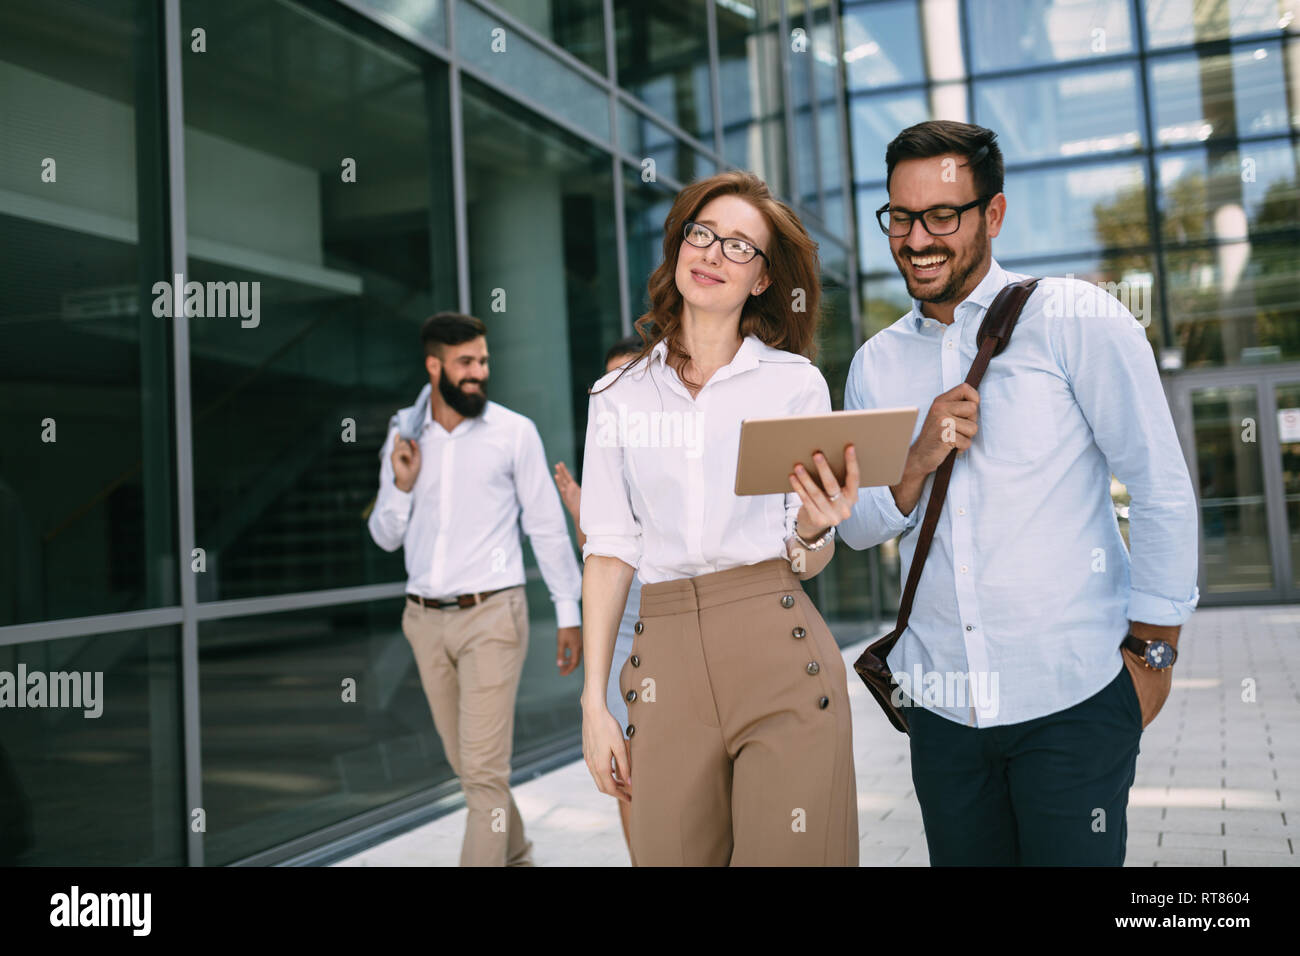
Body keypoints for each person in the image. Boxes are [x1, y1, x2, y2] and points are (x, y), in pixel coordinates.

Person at [838, 120, 1199, 865]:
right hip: (940, 710)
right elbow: (860, 526)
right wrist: (914, 462)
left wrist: (1152, 656)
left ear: (992, 215)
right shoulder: (876, 362)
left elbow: (1161, 486)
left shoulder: (1076, 319)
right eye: (900, 218)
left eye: (942, 215)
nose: (916, 238)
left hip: (1074, 700)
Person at [579, 170, 861, 866]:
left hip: (777, 641)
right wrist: (593, 703)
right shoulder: (618, 396)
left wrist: (814, 529)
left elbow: (805, 550)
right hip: (664, 657)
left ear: (764, 279)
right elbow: (609, 550)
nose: (712, 254)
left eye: (739, 246)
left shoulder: (792, 383)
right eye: (701, 235)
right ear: (679, 246)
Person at [367, 311, 583, 867]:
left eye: (483, 361)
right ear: (434, 366)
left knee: (484, 774)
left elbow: (545, 527)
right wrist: (400, 484)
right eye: (465, 363)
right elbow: (385, 537)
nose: (478, 373)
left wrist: (568, 612)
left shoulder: (513, 433)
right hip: (423, 621)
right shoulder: (403, 436)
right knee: (471, 769)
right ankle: (519, 858)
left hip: (492, 615)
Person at [551, 334, 645, 861]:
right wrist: (585, 521)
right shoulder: (606, 456)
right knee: (627, 767)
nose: (618, 391)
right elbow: (608, 561)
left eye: (629, 377)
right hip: (623, 638)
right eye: (607, 382)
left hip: (685, 630)